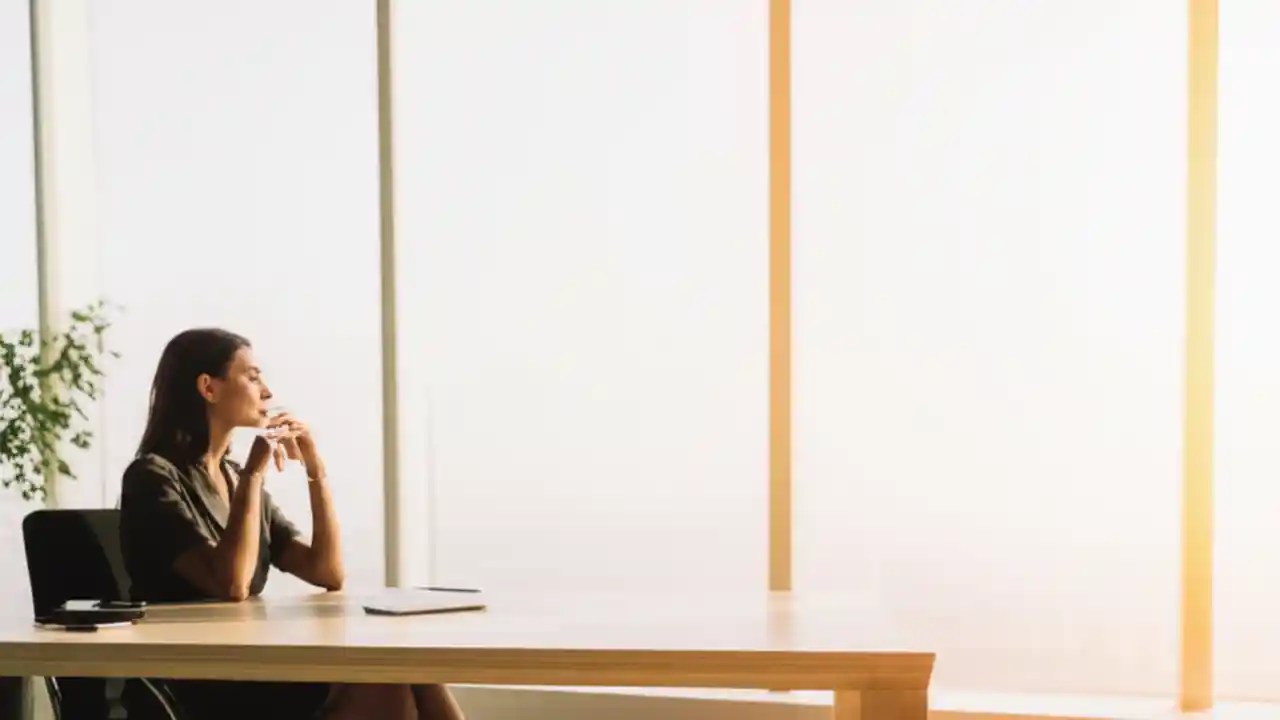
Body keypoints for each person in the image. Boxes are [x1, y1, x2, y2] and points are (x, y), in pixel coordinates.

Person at [119, 328, 463, 720]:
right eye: (252, 376)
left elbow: (327, 571)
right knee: (384, 681)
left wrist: (316, 472)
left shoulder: (236, 480)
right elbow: (231, 583)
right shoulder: (153, 478)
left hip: (251, 666)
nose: (266, 391)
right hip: (199, 681)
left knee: (407, 662)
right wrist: (254, 474)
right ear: (208, 388)